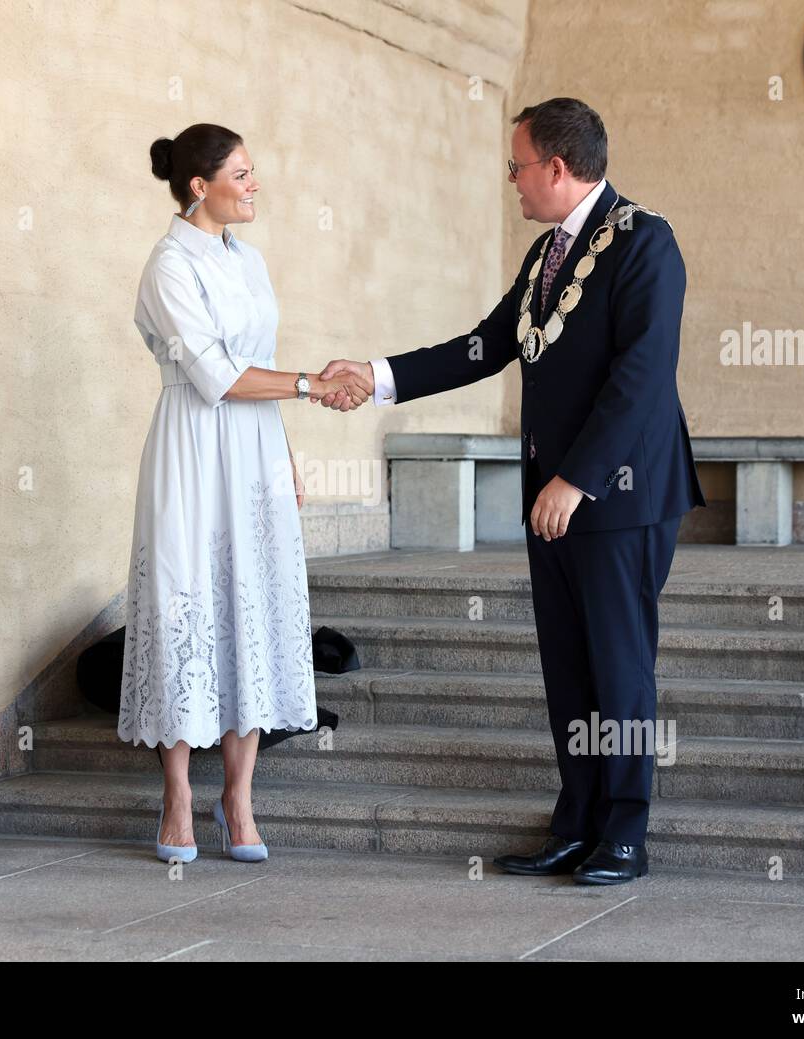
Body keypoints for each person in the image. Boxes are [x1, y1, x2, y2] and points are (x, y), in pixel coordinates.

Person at [320, 98, 705, 884]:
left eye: (517, 165)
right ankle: (576, 821)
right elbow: (486, 345)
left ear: (557, 168)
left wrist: (578, 478)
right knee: (568, 664)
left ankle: (625, 831)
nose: (512, 181)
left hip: (618, 494)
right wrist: (378, 374)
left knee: (620, 666)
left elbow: (641, 379)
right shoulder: (546, 254)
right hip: (553, 496)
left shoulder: (645, 243)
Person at [119, 122, 371, 864]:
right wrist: (311, 385)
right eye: (242, 173)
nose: (255, 184)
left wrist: (284, 449)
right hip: (193, 448)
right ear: (201, 186)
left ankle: (238, 798)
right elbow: (216, 376)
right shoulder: (168, 265)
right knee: (182, 604)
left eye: (253, 171)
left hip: (254, 448)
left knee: (252, 606)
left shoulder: (250, 261)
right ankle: (175, 798)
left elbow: (251, 360)